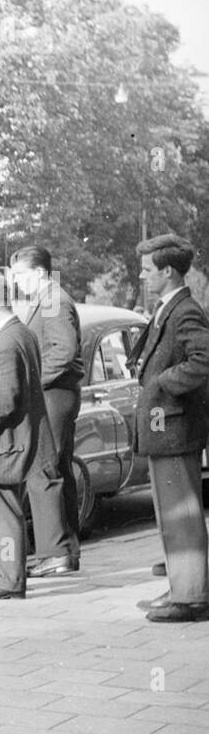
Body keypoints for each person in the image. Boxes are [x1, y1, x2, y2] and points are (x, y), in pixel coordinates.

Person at [0, 270, 57, 600]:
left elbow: (4, 398)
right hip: (8, 440)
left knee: (0, 513)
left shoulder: (5, 341)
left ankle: (9, 579)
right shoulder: (17, 334)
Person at [130, 234, 209, 622]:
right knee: (171, 513)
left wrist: (163, 383)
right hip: (167, 428)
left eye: (147, 270)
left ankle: (192, 596)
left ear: (167, 270)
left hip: (175, 427)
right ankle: (183, 585)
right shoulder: (170, 308)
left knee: (182, 514)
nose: (142, 276)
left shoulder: (184, 311)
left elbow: (204, 359)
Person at [10, 245, 84, 576]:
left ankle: (55, 554)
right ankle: (65, 552)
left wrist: (32, 382)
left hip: (53, 394)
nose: (16, 282)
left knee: (44, 470)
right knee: (57, 470)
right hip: (56, 393)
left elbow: (64, 352)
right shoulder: (48, 299)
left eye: (21, 275)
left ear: (39, 273)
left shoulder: (53, 299)